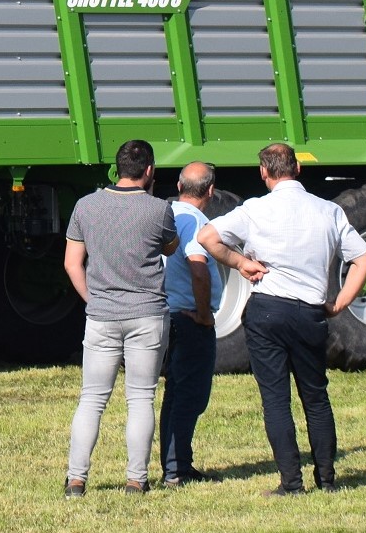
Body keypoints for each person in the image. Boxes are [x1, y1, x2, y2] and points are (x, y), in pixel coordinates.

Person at [194, 143, 366, 497]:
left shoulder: (256, 210)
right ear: (298, 169)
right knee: (316, 397)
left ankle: (291, 482)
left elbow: (207, 237)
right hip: (309, 311)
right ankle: (327, 479)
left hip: (268, 308)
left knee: (276, 399)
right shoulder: (329, 211)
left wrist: (240, 263)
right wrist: (338, 303)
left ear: (264, 172)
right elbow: (365, 260)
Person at [63, 140, 179, 498]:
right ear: (149, 170)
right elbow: (170, 249)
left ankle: (76, 479)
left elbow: (71, 263)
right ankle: (135, 479)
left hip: (101, 315)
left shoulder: (86, 206)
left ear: (117, 169)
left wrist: (93, 299)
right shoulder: (159, 210)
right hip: (147, 314)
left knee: (92, 399)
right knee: (141, 398)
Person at [159, 162, 224, 487]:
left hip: (167, 315)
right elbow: (198, 268)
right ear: (210, 191)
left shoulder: (168, 214)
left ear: (179, 185)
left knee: (175, 394)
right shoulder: (196, 222)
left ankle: (175, 463)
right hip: (188, 317)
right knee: (190, 396)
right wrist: (203, 314)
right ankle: (176, 469)